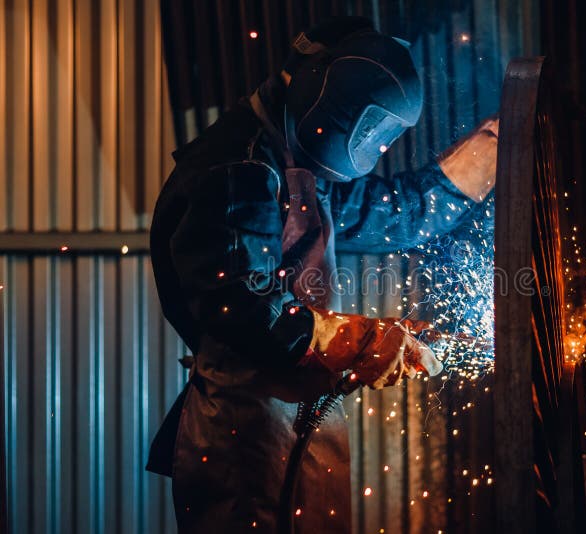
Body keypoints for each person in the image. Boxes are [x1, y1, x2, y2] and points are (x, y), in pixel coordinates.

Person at [146, 16, 498, 533]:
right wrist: (358, 340)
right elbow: (242, 308)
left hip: (297, 405)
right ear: (323, 93)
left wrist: (480, 159)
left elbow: (385, 213)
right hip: (247, 426)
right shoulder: (236, 168)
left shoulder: (294, 161)